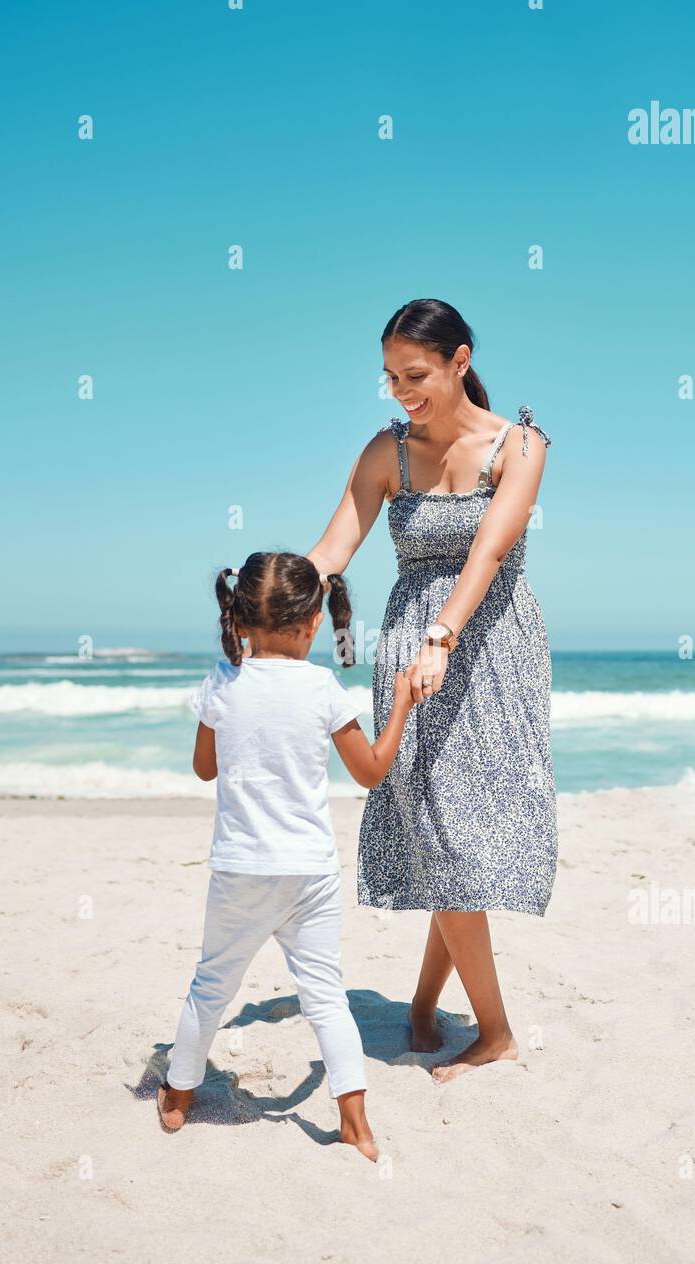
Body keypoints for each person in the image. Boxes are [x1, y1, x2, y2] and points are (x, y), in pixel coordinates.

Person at [306, 298, 557, 1084]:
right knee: (437, 834)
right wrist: (261, 602)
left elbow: (487, 554)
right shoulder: (388, 451)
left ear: (459, 358)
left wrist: (441, 638)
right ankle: (451, 1018)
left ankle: (471, 1025)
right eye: (389, 377)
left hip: (490, 648)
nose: (400, 391)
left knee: (464, 840)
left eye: (414, 375)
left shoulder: (520, 444)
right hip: (409, 652)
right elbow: (332, 550)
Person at [158, 551, 412, 1160]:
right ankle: (355, 1122)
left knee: (212, 985)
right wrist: (401, 699)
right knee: (325, 995)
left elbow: (203, 769)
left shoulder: (223, 681)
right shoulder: (324, 687)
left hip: (241, 867)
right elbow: (373, 772)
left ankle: (178, 1095)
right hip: (309, 872)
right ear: (314, 622)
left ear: (240, 618)